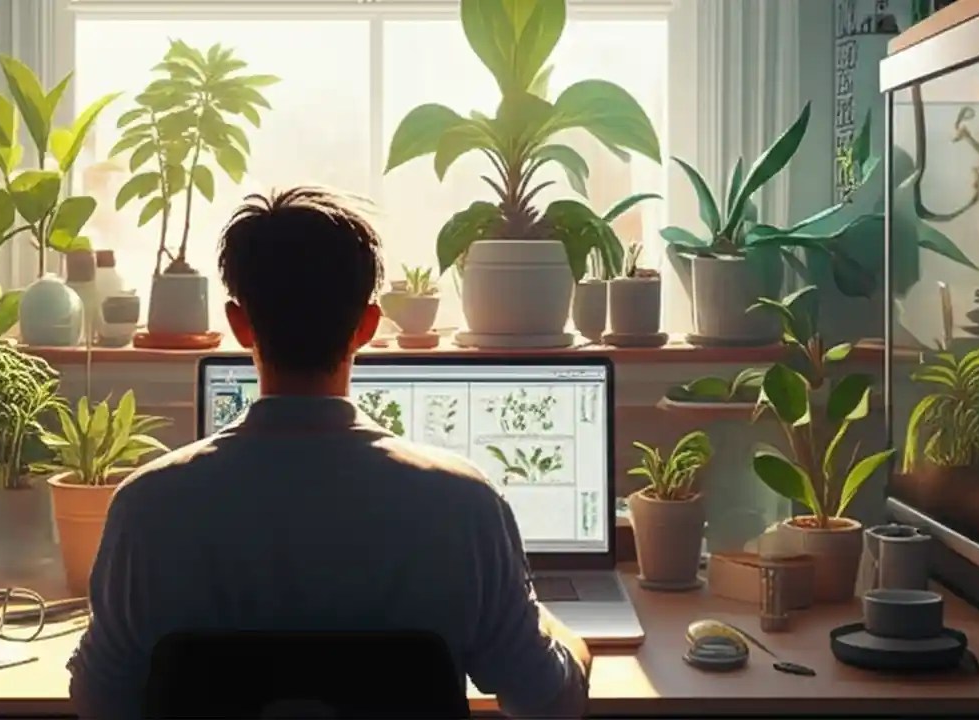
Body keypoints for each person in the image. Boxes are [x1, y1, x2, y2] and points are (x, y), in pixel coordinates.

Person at [67, 186, 591, 718]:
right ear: (366, 326)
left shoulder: (147, 507)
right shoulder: (465, 505)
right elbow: (547, 704)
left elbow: (98, 702)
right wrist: (555, 632)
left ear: (239, 323)